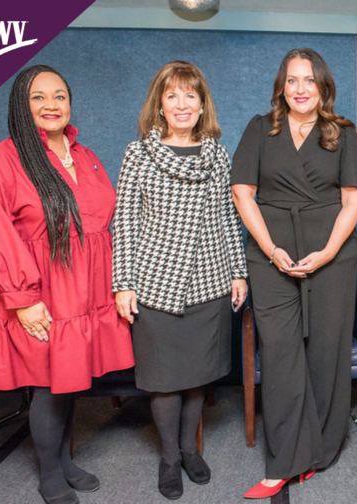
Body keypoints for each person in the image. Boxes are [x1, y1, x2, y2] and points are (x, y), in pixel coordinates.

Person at [0, 65, 134, 504]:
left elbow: (100, 226)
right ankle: (50, 473)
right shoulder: (1, 160)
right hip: (39, 292)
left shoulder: (85, 155)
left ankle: (65, 461)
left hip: (83, 291)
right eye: (38, 97)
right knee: (47, 383)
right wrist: (23, 298)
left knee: (68, 379)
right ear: (21, 105)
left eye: (59, 95)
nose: (51, 104)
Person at [231, 48, 357, 499]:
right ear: (282, 86)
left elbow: (354, 200)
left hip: (332, 256)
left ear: (323, 86)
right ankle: (284, 461)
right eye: (292, 80)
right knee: (280, 353)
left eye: (309, 80)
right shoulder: (261, 128)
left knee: (327, 351)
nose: (300, 88)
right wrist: (270, 249)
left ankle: (320, 451)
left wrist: (328, 252)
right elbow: (242, 192)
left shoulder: (344, 134)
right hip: (270, 257)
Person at [112, 61, 248, 500]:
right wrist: (123, 283)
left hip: (208, 281)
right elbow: (125, 223)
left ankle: (190, 449)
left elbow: (228, 217)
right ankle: (170, 457)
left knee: (196, 375)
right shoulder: (138, 154)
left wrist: (238, 272)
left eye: (191, 95)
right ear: (160, 105)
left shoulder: (217, 154)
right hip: (155, 284)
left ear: (202, 104)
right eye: (172, 95)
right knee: (164, 378)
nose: (182, 103)